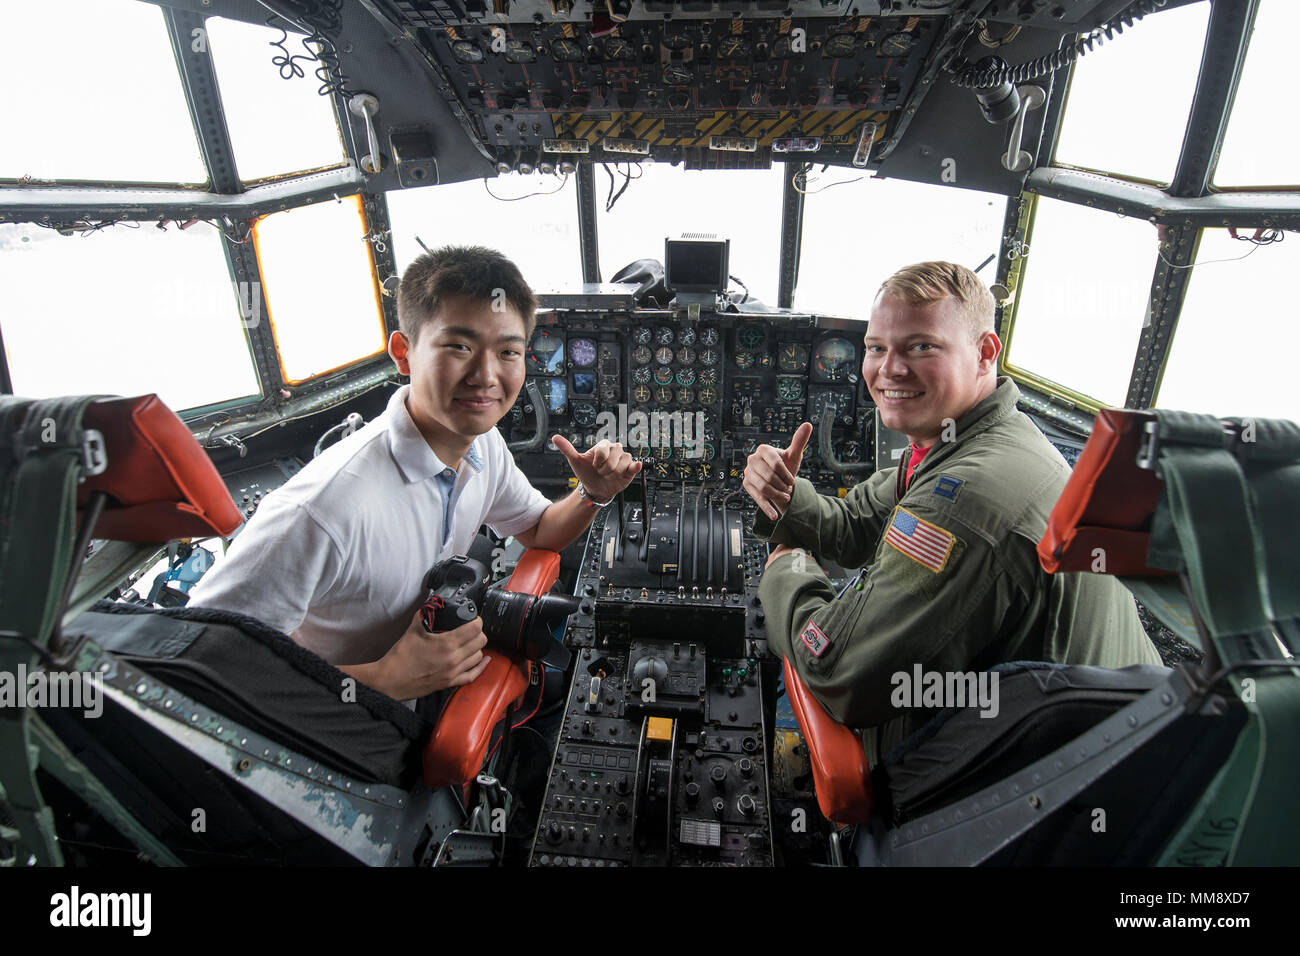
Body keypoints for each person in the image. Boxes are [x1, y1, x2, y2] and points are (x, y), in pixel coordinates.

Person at [743, 261, 1160, 764]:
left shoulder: (964, 499)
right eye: (877, 348)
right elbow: (856, 524)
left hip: (1014, 784)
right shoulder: (961, 440)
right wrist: (789, 500)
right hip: (1086, 735)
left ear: (985, 354)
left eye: (922, 346)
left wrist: (784, 569)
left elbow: (837, 671)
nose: (889, 369)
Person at [191, 245, 641, 701]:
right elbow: (201, 664)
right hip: (345, 726)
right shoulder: (318, 512)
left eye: (508, 351)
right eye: (459, 347)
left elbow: (540, 530)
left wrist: (592, 493)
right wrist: (380, 679)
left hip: (424, 679)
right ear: (404, 354)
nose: (486, 375)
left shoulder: (482, 444)